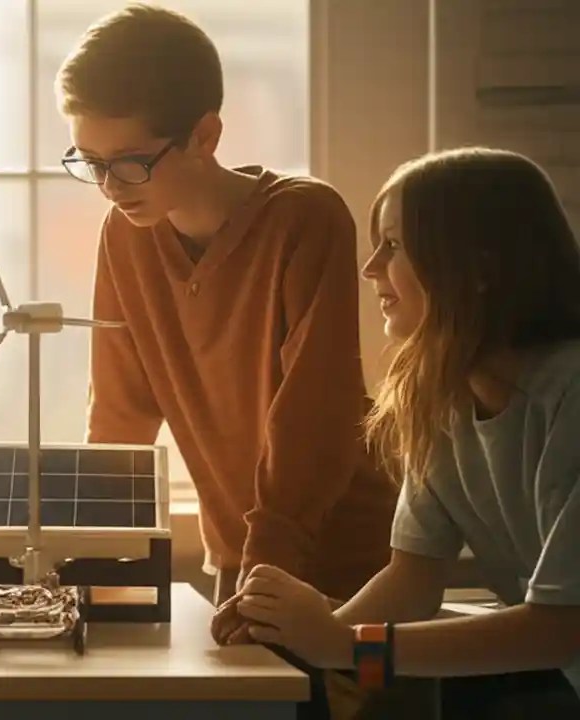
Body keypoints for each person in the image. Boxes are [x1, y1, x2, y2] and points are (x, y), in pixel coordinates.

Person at [215, 147, 580, 716]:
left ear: (478, 269)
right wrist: (309, 641)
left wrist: (340, 644)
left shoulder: (570, 398)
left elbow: (561, 628)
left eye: (393, 245)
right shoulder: (444, 404)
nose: (370, 268)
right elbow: (414, 579)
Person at [55, 4, 398, 605]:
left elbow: (314, 409)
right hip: (238, 558)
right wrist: (92, 558)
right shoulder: (125, 233)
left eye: (131, 164)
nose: (110, 187)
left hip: (344, 556)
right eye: (91, 163)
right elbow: (119, 413)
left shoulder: (303, 217)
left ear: (205, 136)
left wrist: (265, 568)